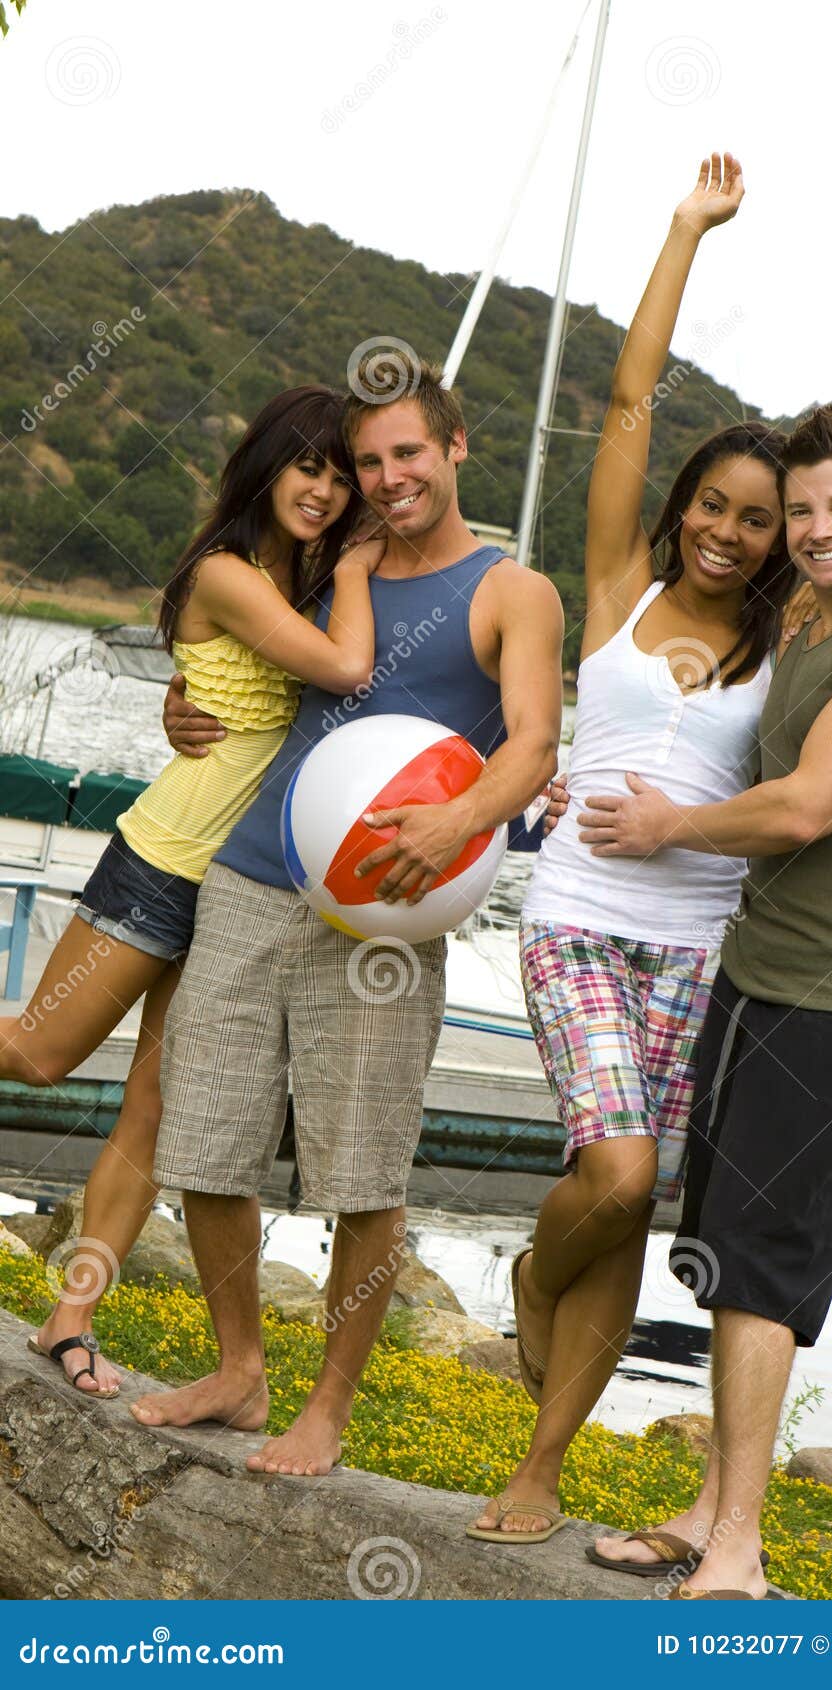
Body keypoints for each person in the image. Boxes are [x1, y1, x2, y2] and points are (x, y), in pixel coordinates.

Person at [129, 355, 564, 1478]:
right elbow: (237, 656)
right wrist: (182, 703)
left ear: (455, 447)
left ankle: (324, 1410)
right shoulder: (333, 566)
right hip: (249, 875)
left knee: (361, 1173)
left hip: (385, 919)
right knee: (207, 1143)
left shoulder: (511, 591)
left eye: (406, 453)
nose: (386, 477)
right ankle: (238, 1370)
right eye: (369, 461)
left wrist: (456, 819)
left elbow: (532, 746)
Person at [467, 154, 806, 1550]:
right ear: (679, 506)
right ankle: (534, 1286)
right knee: (607, 1179)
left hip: (695, 947)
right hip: (575, 914)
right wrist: (683, 232)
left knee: (630, 1189)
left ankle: (539, 1466)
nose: (728, 532)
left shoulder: (783, 645)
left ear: (782, 540)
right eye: (713, 505)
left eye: (757, 520)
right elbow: (622, 399)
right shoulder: (617, 583)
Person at [582, 402, 832, 1598]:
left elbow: (803, 808)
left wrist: (665, 828)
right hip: (758, 971)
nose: (813, 529)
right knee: (724, 1248)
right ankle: (711, 1505)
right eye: (798, 512)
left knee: (763, 1256)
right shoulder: (807, 618)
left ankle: (738, 1544)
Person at [1, 386, 376, 1399]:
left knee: (153, 1115)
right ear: (268, 467)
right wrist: (357, 560)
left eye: (342, 478)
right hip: (164, 858)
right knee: (37, 1049)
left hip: (244, 886)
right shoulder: (230, 572)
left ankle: (68, 1319)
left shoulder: (306, 582)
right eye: (310, 467)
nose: (327, 490)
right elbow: (343, 670)